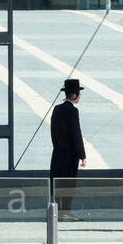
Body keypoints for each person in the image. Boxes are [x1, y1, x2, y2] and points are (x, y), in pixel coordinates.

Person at [50, 79, 87, 221]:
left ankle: (57, 211)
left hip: (58, 153)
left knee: (58, 184)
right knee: (69, 184)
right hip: (70, 155)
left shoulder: (57, 109)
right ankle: (66, 211)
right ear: (75, 95)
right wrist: (82, 155)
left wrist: (58, 146)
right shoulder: (73, 111)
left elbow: (53, 132)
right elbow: (76, 134)